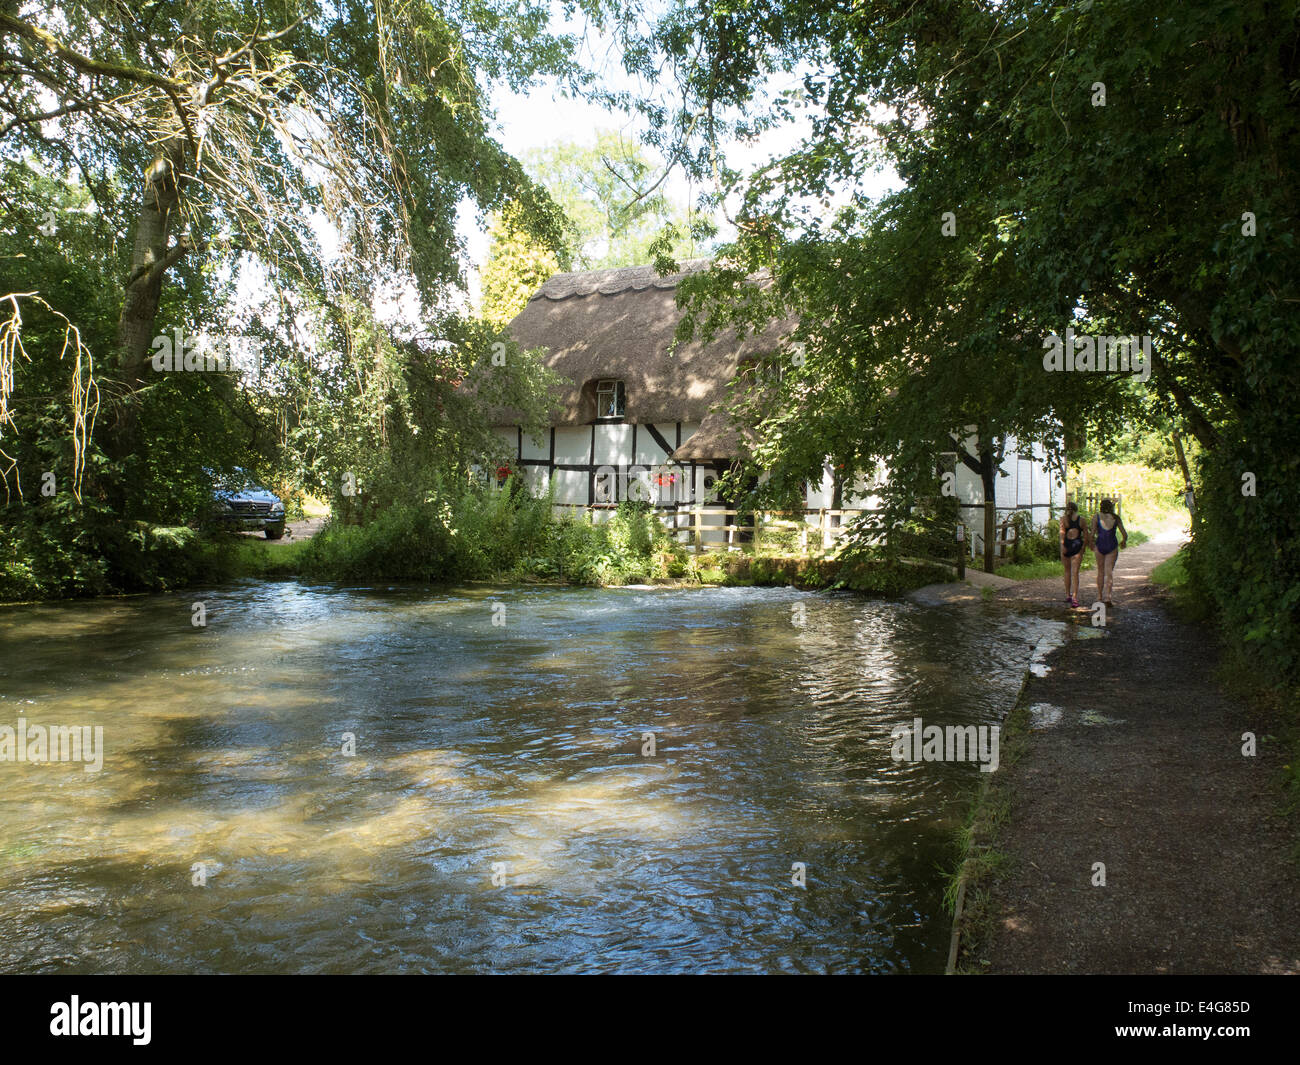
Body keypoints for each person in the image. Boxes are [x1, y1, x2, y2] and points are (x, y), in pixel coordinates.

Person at [1093, 498, 1127, 605]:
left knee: (1100, 571)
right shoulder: (1116, 518)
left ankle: (1099, 596)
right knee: (1109, 573)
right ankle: (1108, 597)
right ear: (1111, 507)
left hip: (1099, 545)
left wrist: (1090, 544)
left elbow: (1092, 533)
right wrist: (1123, 542)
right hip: (1112, 546)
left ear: (1101, 507)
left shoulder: (1096, 517)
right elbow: (1125, 534)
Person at [1059, 500, 1086, 608]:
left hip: (1066, 546)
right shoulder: (1082, 520)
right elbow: (1086, 535)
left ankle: (1067, 595)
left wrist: (1062, 546)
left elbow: (1061, 535)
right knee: (1075, 573)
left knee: (1067, 571)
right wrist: (1083, 548)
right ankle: (1075, 597)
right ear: (1076, 510)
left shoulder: (1063, 520)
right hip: (1077, 546)